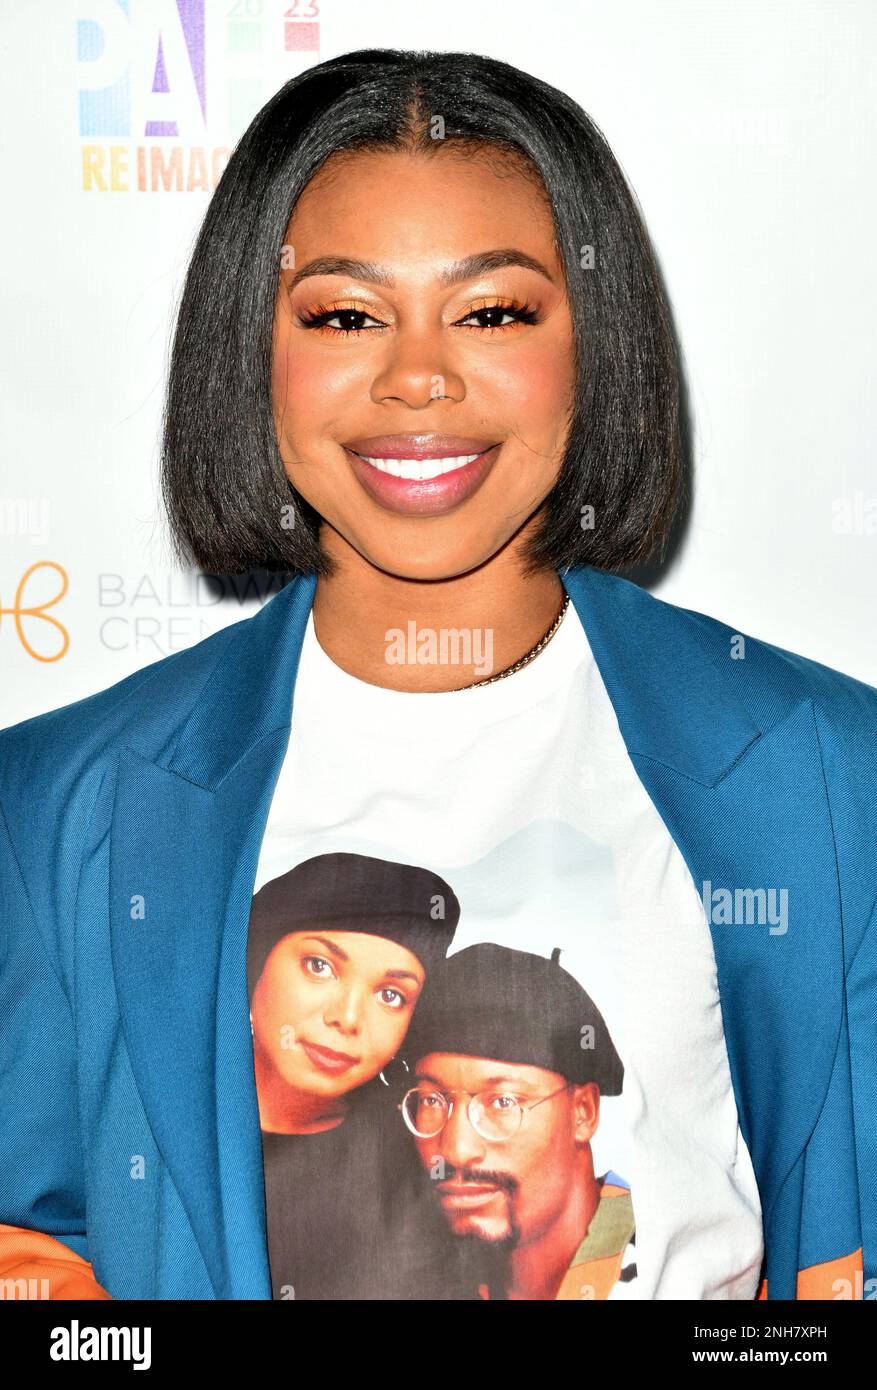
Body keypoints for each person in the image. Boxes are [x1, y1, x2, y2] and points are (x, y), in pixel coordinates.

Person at [0, 48, 874, 1302]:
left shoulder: (831, 775)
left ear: (593, 342)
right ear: (253, 351)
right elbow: (35, 1252)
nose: (419, 378)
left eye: (494, 312)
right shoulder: (56, 804)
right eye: (346, 316)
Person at [245, 851, 474, 1299]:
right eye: (319, 966)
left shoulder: (418, 1165)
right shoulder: (161, 1110)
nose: (347, 1018)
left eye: (391, 994)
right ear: (256, 965)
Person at [399, 942, 637, 1300]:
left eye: (503, 1102)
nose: (456, 1150)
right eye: (433, 1100)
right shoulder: (404, 1274)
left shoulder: (683, 1268)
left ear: (583, 1112)